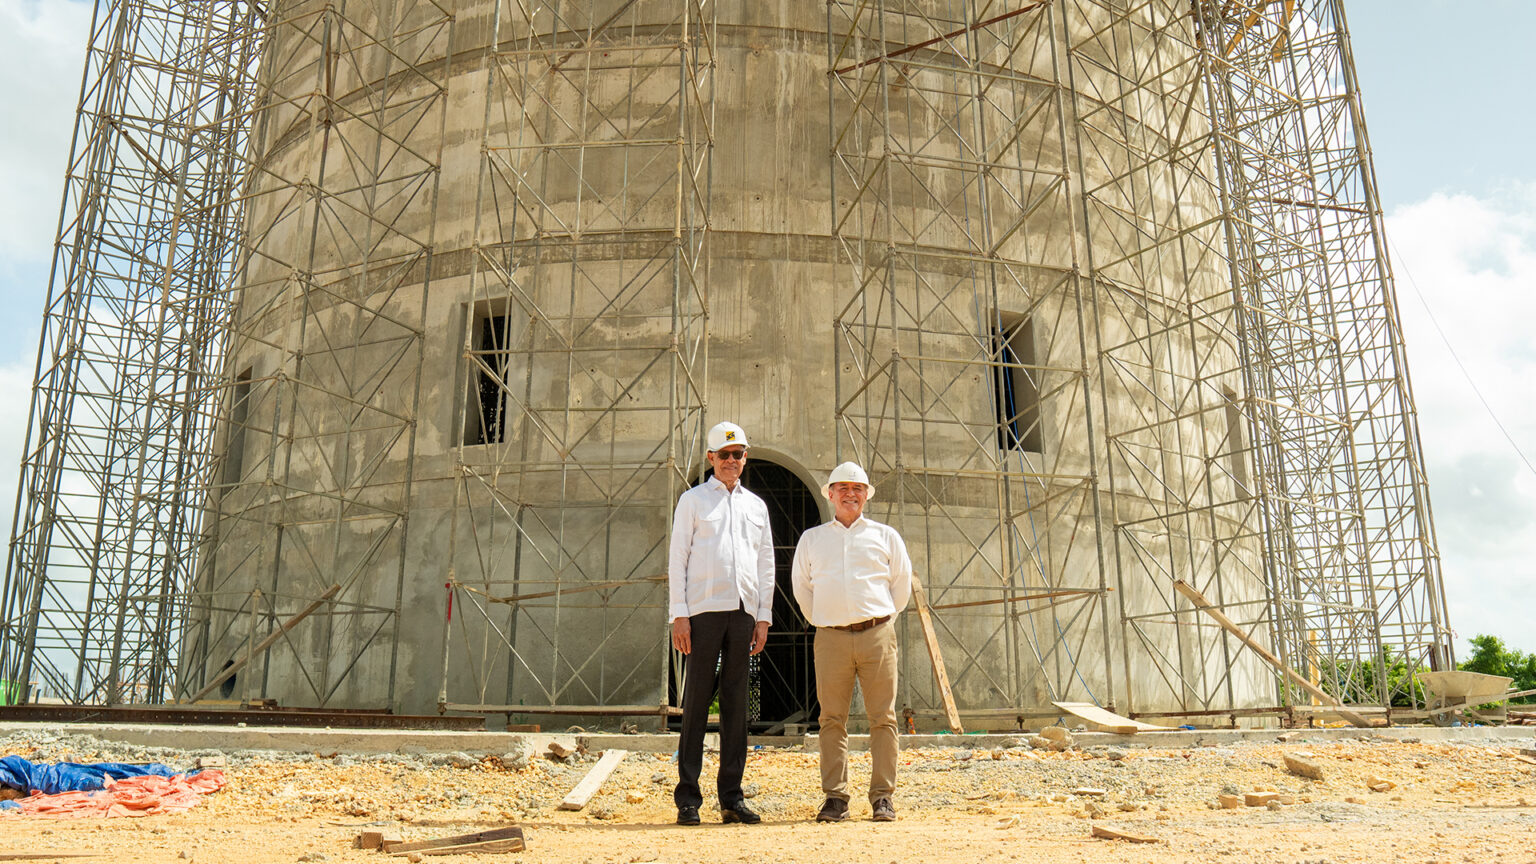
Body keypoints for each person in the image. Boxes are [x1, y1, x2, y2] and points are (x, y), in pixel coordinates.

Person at [791, 461, 912, 823]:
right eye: (842, 487)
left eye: (857, 488)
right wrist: (824, 621)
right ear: (830, 494)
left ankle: (882, 797)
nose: (850, 493)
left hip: (877, 635)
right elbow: (802, 587)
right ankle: (836, 797)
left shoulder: (885, 536)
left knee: (884, 719)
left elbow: (900, 585)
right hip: (831, 639)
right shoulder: (813, 539)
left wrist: (881, 618)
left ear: (866, 496)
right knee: (831, 719)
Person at [668, 421, 775, 826]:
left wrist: (763, 616)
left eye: (739, 454)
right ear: (711, 458)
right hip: (703, 611)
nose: (732, 461)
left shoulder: (756, 506)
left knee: (736, 706)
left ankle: (732, 797)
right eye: (725, 455)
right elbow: (678, 558)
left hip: (744, 611)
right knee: (696, 703)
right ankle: (688, 799)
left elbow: (766, 564)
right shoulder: (692, 501)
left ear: (745, 458)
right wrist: (679, 613)